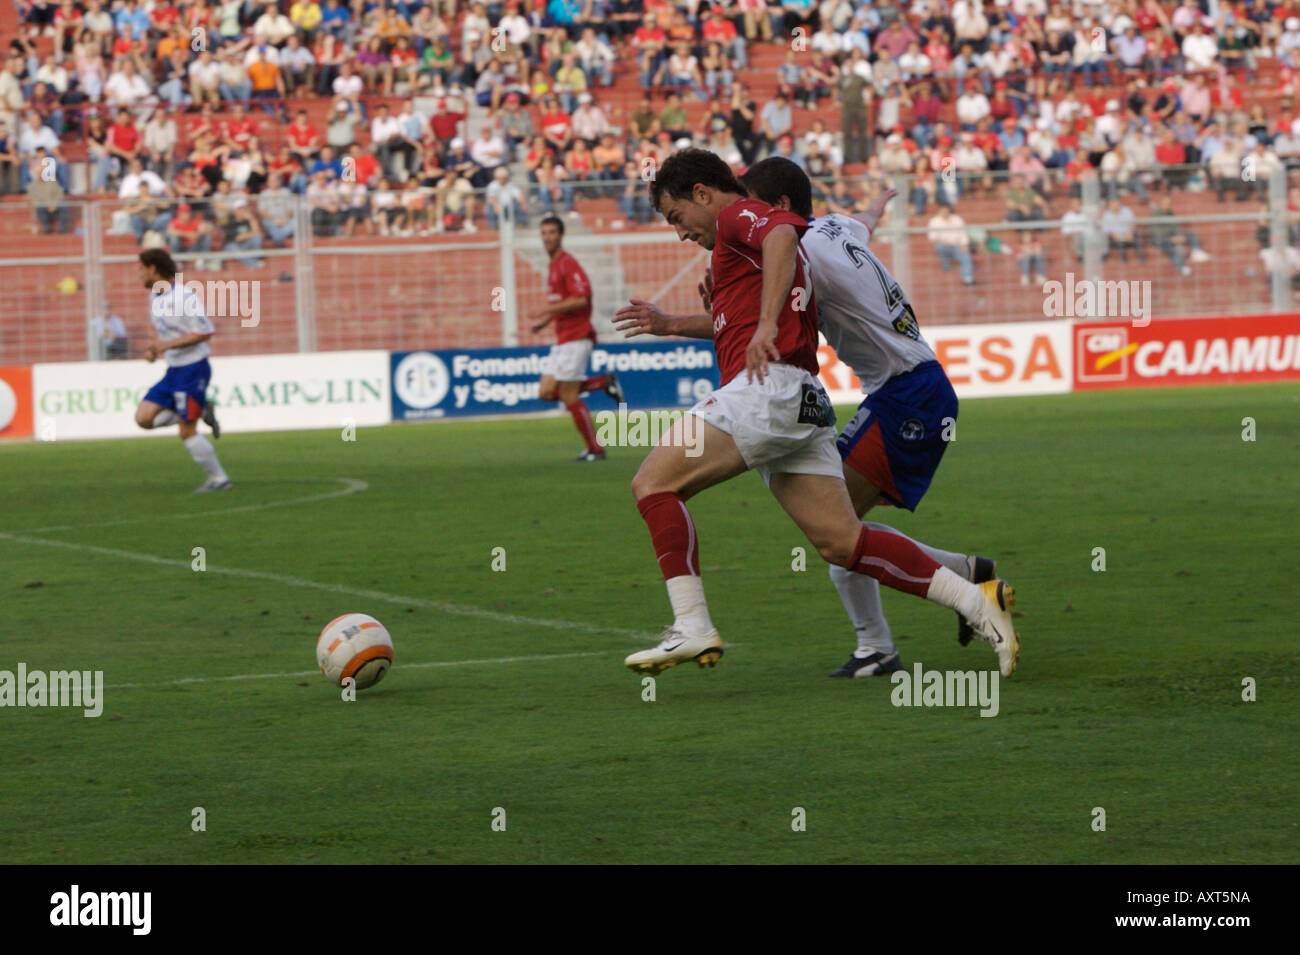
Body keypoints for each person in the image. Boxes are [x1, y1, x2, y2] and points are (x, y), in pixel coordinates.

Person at [609, 149, 1019, 677]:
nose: (680, 233)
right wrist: (677, 322)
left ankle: (692, 626)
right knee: (841, 541)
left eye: (676, 218)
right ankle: (973, 598)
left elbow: (779, 234)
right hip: (805, 400)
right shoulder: (806, 234)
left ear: (704, 194)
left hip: (771, 391)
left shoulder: (745, 218)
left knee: (654, 485)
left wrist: (763, 325)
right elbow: (805, 244)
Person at [132, 248, 230, 493]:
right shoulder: (155, 296)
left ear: (153, 269)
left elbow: (204, 332)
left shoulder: (184, 297)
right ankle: (199, 408)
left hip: (193, 369)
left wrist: (166, 345)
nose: (139, 274)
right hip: (173, 370)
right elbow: (167, 331)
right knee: (143, 419)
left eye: (141, 269)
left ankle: (219, 479)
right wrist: (155, 349)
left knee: (187, 432)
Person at [529, 215, 624, 461]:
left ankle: (595, 449)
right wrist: (545, 322)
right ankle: (602, 383)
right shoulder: (553, 266)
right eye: (544, 232)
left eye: (552, 232)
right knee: (547, 391)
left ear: (561, 235)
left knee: (568, 394)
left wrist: (545, 311)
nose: (547, 237)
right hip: (563, 338)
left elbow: (581, 299)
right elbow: (562, 303)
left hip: (577, 335)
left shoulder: (567, 263)